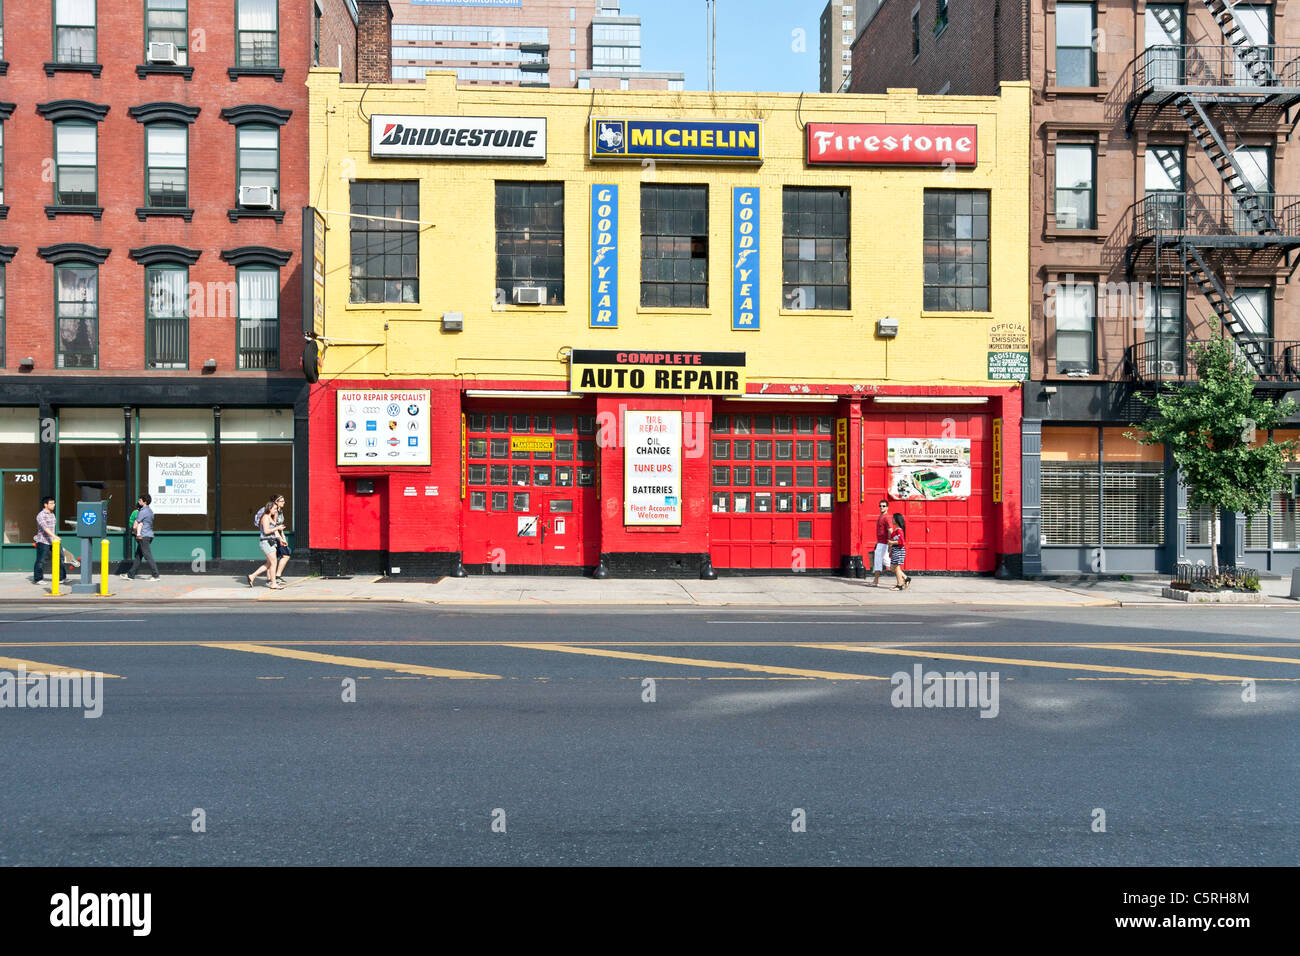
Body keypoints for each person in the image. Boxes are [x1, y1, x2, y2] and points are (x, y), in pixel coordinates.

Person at [121, 494, 159, 580]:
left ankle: (155, 575)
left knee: (148, 555)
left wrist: (136, 534)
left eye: (140, 500)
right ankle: (131, 575)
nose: (138, 502)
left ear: (144, 502)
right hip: (149, 535)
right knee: (138, 556)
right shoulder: (150, 511)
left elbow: (135, 525)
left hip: (143, 536)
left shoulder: (142, 512)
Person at [248, 500, 284, 589]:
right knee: (273, 563)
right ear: (270, 508)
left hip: (271, 542)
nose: (276, 510)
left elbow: (274, 530)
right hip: (266, 542)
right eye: (275, 509)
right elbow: (266, 531)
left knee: (268, 564)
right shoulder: (265, 517)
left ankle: (252, 576)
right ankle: (273, 583)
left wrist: (280, 539)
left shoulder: (270, 517)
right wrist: (277, 527)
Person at [33, 496, 56, 585]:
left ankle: (62, 578)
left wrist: (54, 538)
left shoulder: (52, 514)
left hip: (53, 541)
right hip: (43, 541)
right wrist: (55, 536)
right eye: (51, 503)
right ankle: (38, 579)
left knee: (60, 558)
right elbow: (45, 528)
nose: (53, 505)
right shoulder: (41, 515)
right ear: (45, 505)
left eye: (54, 503)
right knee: (40, 560)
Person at [870, 499, 893, 586]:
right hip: (881, 542)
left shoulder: (886, 517)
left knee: (878, 562)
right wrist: (877, 542)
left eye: (883, 506)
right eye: (880, 506)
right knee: (886, 562)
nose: (881, 507)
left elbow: (890, 530)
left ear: (887, 507)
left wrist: (890, 543)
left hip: (884, 544)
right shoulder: (881, 516)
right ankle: (904, 578)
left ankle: (876, 581)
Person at [271, 494, 292, 583]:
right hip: (274, 536)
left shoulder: (280, 511)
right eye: (282, 501)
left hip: (279, 535)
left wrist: (283, 537)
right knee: (283, 556)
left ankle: (275, 577)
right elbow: (274, 526)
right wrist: (280, 538)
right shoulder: (274, 512)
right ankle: (275, 577)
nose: (284, 502)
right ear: (276, 502)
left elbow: (280, 526)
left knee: (277, 557)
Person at [889, 513, 911, 591]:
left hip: (899, 550)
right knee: (892, 568)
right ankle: (906, 578)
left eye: (893, 518)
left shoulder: (899, 530)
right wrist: (890, 550)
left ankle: (899, 585)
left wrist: (892, 543)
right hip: (895, 550)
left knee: (897, 568)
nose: (892, 520)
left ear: (897, 520)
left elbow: (901, 542)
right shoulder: (895, 530)